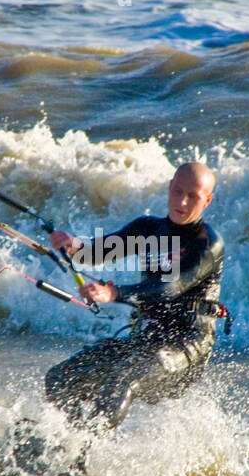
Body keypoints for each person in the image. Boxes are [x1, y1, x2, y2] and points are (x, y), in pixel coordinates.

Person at [43, 161, 226, 430]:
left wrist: (114, 292)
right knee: (61, 378)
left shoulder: (207, 244)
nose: (182, 202)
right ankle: (66, 445)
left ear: (207, 201)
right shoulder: (148, 229)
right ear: (169, 187)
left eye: (193, 197)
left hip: (186, 346)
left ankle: (80, 446)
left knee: (121, 381)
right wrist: (73, 245)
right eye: (177, 191)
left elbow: (169, 287)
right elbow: (96, 253)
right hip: (146, 339)